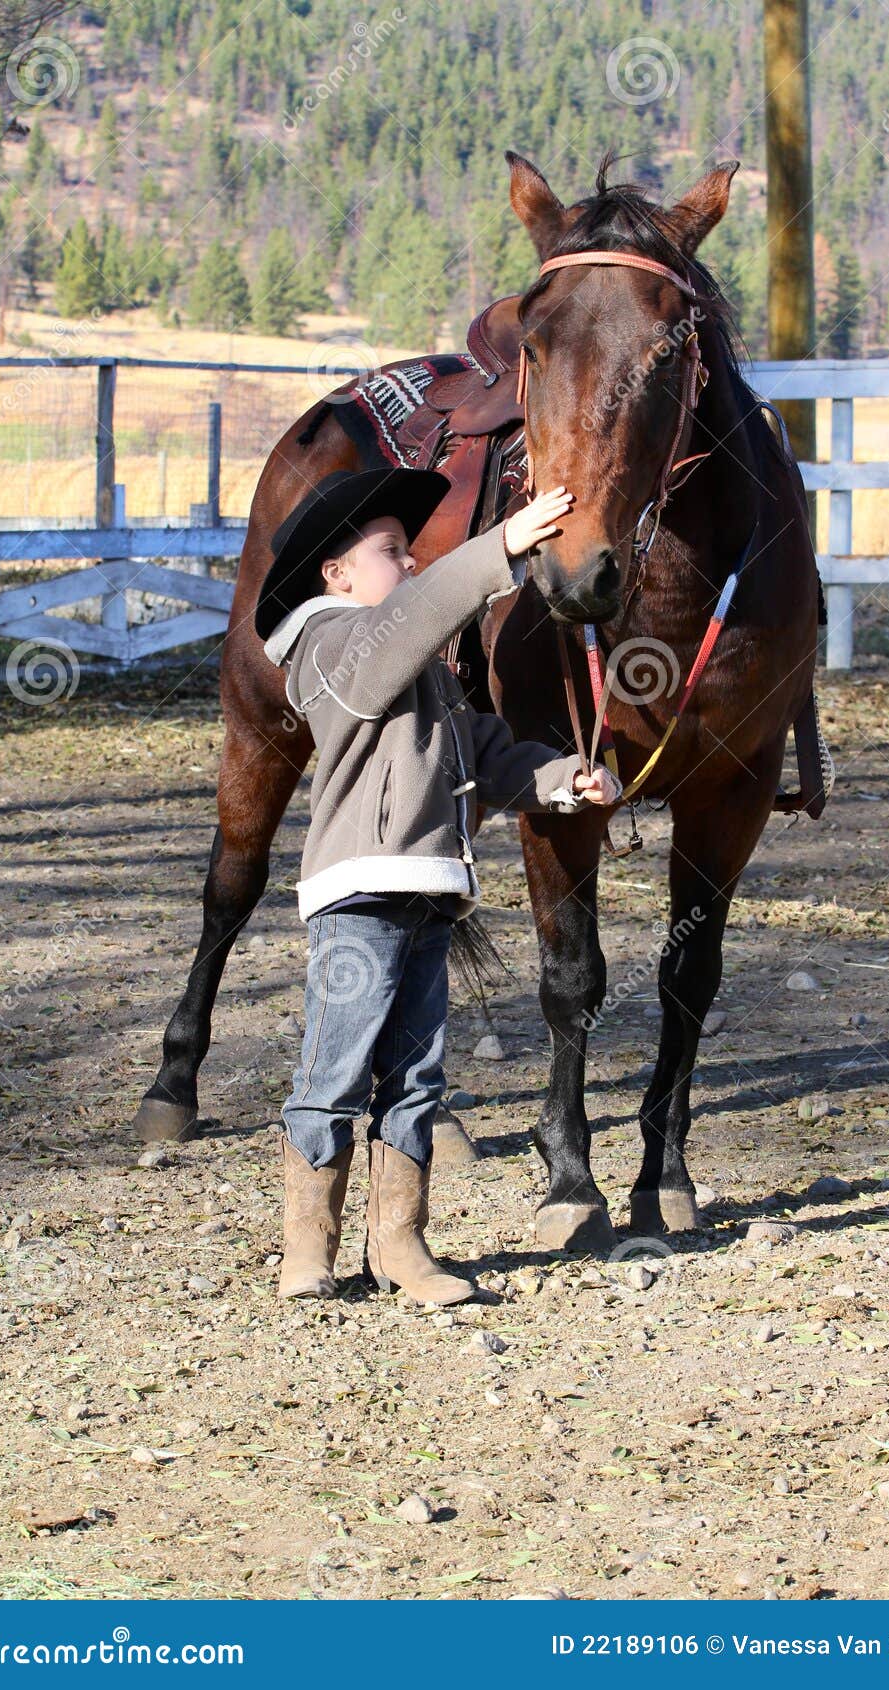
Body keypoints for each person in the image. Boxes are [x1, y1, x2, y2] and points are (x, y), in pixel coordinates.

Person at [255, 466, 621, 1307]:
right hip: (357, 898)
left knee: (417, 1080)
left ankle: (401, 1246)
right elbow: (402, 632)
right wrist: (499, 549)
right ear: (335, 576)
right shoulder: (330, 650)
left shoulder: (416, 666)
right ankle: (306, 1250)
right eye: (392, 552)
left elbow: (487, 756)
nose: (412, 564)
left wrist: (567, 778)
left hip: (428, 892)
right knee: (333, 1075)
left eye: (414, 553)